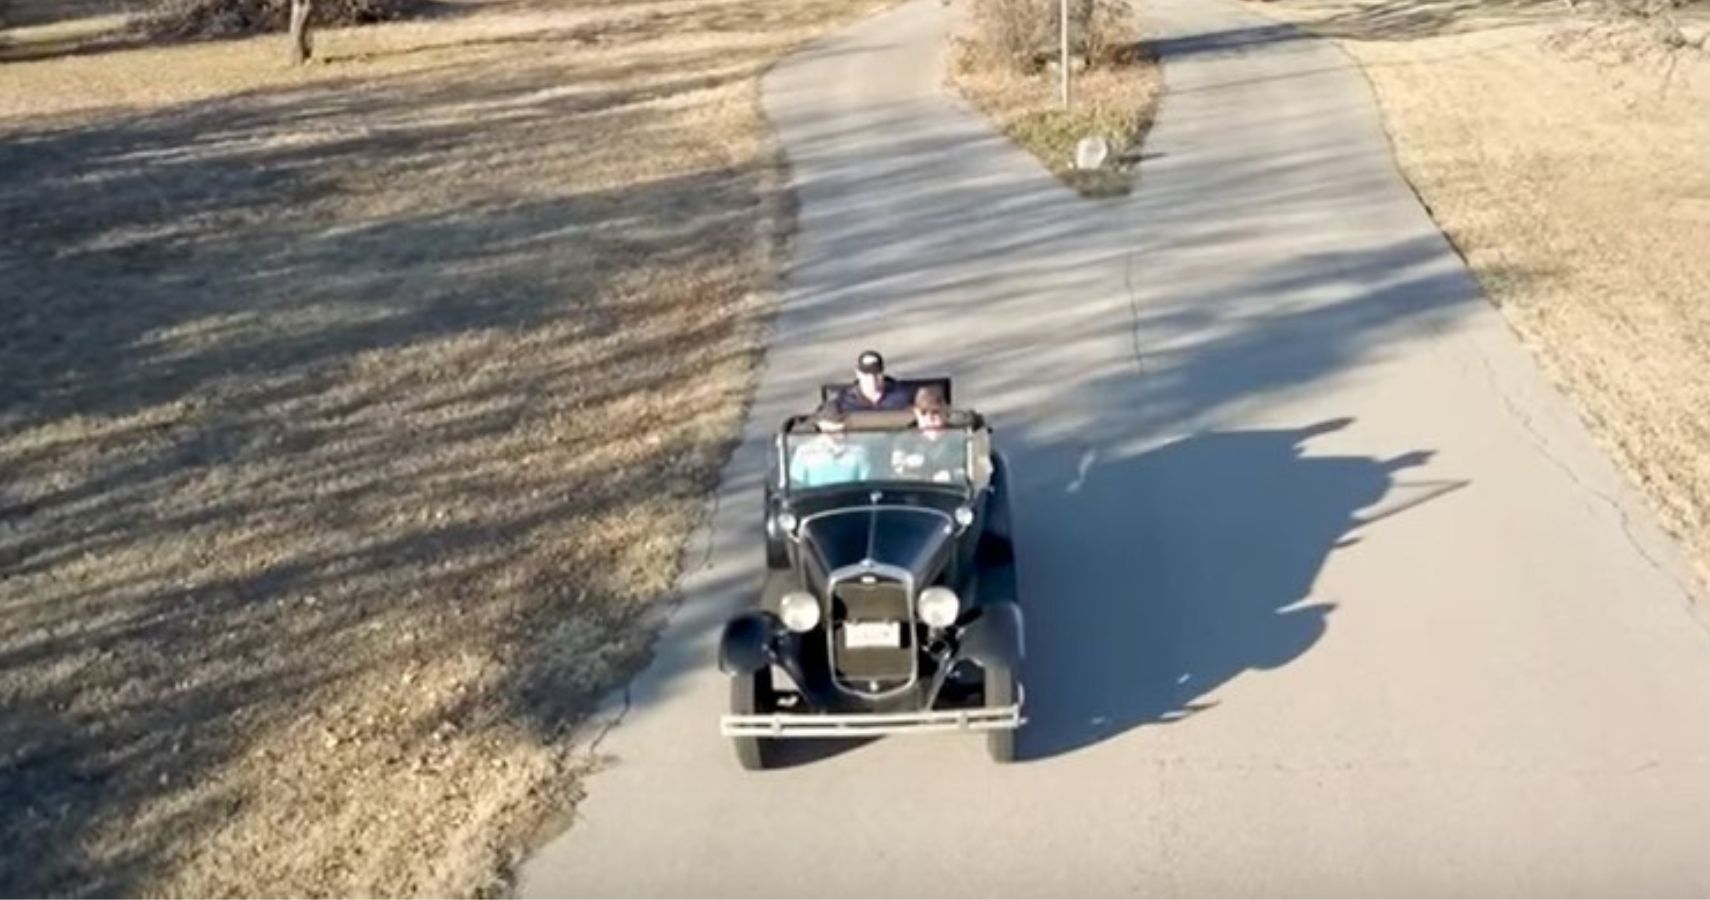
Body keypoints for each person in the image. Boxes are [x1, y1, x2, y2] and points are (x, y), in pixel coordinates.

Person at [789, 401, 873, 487]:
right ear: (822, 425)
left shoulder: (859, 452)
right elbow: (796, 485)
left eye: (844, 420)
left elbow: (867, 485)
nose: (842, 426)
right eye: (835, 421)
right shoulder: (805, 452)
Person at [891, 386, 964, 483]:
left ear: (946, 410)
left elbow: (981, 469)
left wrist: (952, 475)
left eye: (935, 412)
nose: (929, 418)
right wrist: (907, 464)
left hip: (952, 491)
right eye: (923, 412)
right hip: (918, 490)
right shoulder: (905, 439)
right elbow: (895, 468)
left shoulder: (960, 437)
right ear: (916, 413)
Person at [836, 349, 911, 412]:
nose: (872, 378)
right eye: (866, 374)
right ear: (858, 373)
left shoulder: (900, 394)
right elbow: (829, 408)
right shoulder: (846, 400)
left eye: (876, 373)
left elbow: (919, 395)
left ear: (882, 372)